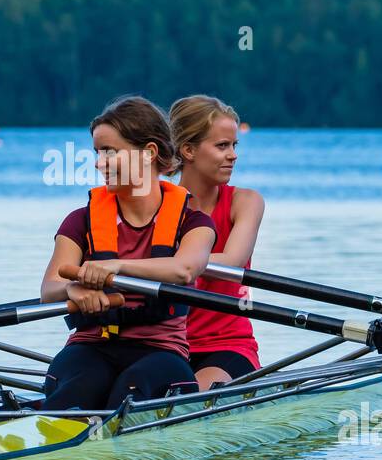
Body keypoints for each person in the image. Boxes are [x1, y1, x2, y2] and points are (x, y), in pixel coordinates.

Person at [40, 95, 216, 410]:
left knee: (131, 391)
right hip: (90, 345)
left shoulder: (193, 222)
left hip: (161, 352)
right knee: (79, 385)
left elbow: (184, 269)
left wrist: (115, 267)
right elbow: (48, 288)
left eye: (110, 152)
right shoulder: (80, 220)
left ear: (148, 153)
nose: (98, 162)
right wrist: (73, 289)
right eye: (97, 152)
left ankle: (106, 432)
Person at [170, 95, 265, 390]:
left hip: (228, 346)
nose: (233, 155)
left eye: (234, 145)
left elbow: (233, 261)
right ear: (188, 150)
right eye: (222, 146)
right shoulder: (157, 207)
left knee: (185, 400)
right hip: (166, 344)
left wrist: (168, 266)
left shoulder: (245, 202)